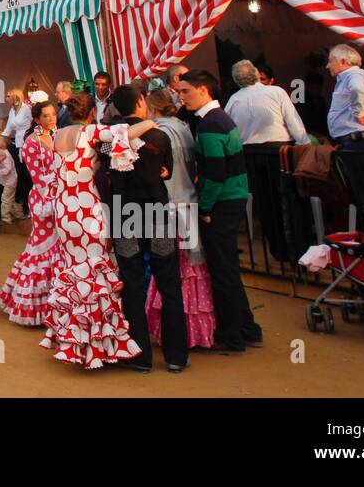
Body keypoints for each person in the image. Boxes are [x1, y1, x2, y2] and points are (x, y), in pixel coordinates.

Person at [41, 112, 152, 368]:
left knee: (74, 273)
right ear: (91, 114)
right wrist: (150, 122)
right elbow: (124, 133)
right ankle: (101, 346)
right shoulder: (89, 133)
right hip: (87, 211)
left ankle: (75, 341)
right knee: (96, 274)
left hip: (64, 213)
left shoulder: (56, 136)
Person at [176, 69, 263, 352]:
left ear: (204, 90)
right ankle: (247, 328)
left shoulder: (211, 124)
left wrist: (205, 207)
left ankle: (231, 335)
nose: (181, 97)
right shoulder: (217, 119)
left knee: (223, 270)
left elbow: (215, 173)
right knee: (228, 269)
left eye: (186, 91)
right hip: (232, 198)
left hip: (222, 201)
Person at [106, 85, 188, 373]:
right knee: (169, 281)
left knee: (132, 281)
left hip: (125, 215)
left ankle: (139, 355)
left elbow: (105, 166)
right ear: (140, 102)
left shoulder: (106, 140)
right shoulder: (158, 135)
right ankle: (177, 355)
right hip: (156, 213)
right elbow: (167, 171)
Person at [144, 88, 216, 351]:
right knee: (193, 271)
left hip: (172, 205)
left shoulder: (157, 131)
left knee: (173, 271)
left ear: (151, 107)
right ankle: (198, 330)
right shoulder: (184, 127)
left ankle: (180, 332)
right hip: (190, 201)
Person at [0, 100, 63, 327]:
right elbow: (38, 176)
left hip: (62, 198)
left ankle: (57, 305)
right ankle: (34, 306)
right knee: (40, 248)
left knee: (58, 248)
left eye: (53, 114)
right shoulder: (30, 143)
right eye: (46, 115)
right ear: (36, 119)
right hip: (43, 198)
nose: (51, 118)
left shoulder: (59, 137)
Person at [326, 44, 364, 231]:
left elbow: (356, 90)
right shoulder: (348, 77)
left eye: (331, 61)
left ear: (344, 61)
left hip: (361, 142)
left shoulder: (354, 76)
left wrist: (360, 112)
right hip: (357, 142)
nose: (327, 66)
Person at [224, 60, 308, 145]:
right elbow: (293, 121)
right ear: (257, 74)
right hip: (279, 150)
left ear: (236, 80)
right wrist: (305, 143)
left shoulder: (233, 100)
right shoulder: (276, 92)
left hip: (247, 153)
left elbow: (226, 131)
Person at [2, 89, 33, 222]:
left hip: (27, 143)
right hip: (18, 145)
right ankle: (22, 208)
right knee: (21, 177)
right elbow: (8, 129)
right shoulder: (12, 111)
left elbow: (34, 123)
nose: (6, 98)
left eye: (8, 96)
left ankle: (29, 207)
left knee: (28, 177)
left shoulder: (26, 109)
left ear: (15, 97)